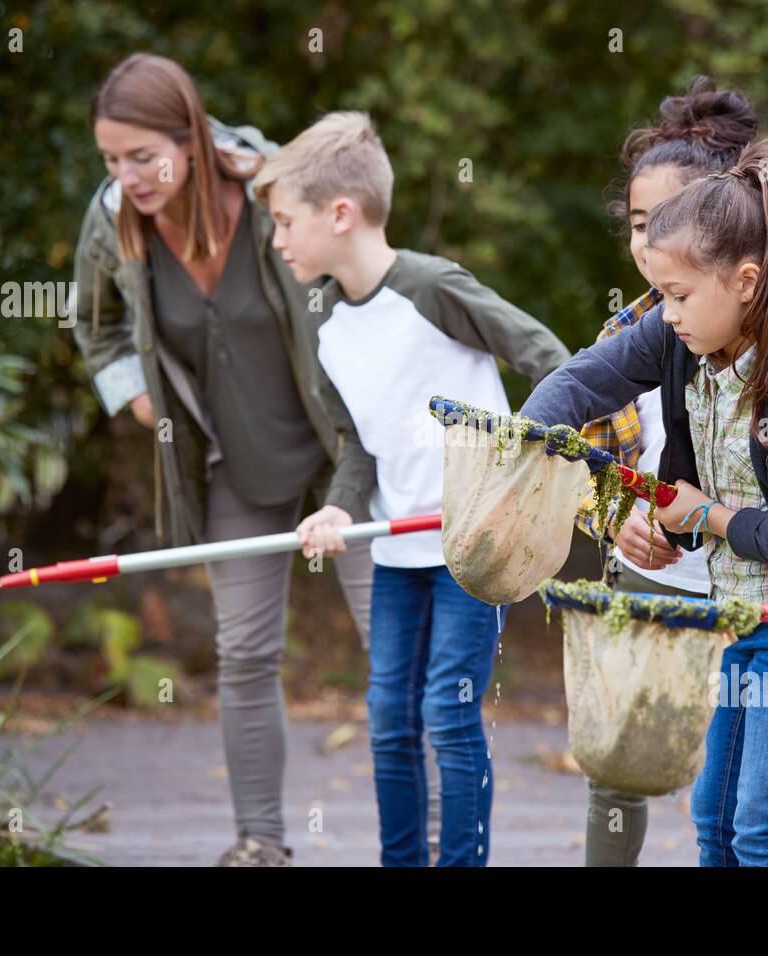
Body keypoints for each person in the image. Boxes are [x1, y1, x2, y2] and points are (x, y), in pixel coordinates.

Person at [521, 139, 768, 866]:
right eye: (663, 296)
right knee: (713, 826)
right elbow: (587, 379)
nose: (666, 313)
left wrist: (704, 516)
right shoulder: (680, 335)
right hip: (734, 620)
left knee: (763, 833)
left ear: (746, 281)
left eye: (679, 296)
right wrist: (525, 435)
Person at [71, 54, 375, 867]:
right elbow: (93, 323)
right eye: (110, 159)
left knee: (396, 641)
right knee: (243, 653)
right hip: (232, 467)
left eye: (143, 156)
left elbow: (366, 273)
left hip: (344, 453)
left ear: (192, 137)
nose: (126, 176)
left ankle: (433, 841)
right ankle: (261, 845)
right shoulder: (114, 221)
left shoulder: (277, 184)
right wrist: (138, 397)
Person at [253, 111, 570, 866]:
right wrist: (337, 505)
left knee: (448, 714)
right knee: (390, 717)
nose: (277, 241)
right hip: (399, 559)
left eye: (284, 222)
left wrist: (516, 480)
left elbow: (552, 361)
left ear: (340, 214)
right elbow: (361, 447)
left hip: (471, 550)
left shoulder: (430, 287)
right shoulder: (328, 329)